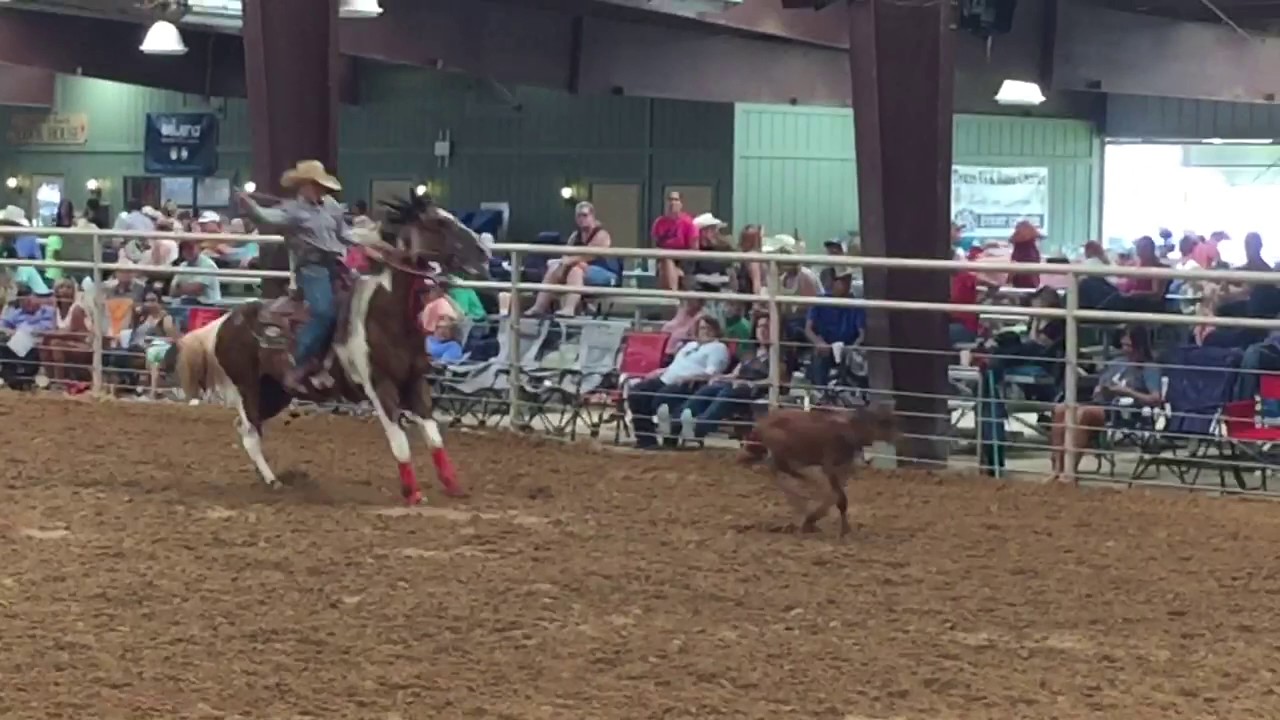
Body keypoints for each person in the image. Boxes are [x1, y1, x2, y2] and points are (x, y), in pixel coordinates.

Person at [237, 159, 353, 393]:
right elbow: (266, 217)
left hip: (336, 265)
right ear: (304, 186)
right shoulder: (292, 211)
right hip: (311, 269)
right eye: (316, 185)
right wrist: (248, 205)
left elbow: (345, 234)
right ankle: (298, 364)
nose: (321, 190)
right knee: (324, 312)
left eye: (321, 185)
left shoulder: (331, 206)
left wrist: (372, 240)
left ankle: (336, 362)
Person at [1049, 326, 1161, 480]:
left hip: (1125, 409)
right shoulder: (1116, 362)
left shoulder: (1149, 368)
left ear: (1139, 346)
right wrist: (1101, 388)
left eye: (1129, 346)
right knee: (1061, 409)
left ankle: (1070, 469)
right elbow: (1100, 385)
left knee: (1085, 413)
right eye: (1123, 345)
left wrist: (1127, 392)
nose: (1125, 349)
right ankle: (1057, 468)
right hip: (1102, 402)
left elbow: (1156, 398)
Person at [627, 316, 730, 449]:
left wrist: (690, 377)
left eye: (709, 328)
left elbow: (712, 374)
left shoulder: (718, 347)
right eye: (702, 328)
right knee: (636, 393)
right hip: (666, 378)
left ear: (716, 330)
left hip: (689, 384)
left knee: (662, 400)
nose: (705, 331)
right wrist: (661, 370)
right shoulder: (690, 345)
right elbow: (677, 365)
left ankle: (670, 436)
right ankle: (646, 440)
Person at [676, 314, 775, 441]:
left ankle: (698, 427)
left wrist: (750, 383)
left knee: (729, 391)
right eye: (759, 327)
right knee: (711, 388)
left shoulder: (778, 355)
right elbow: (734, 374)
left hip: (754, 389)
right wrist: (720, 377)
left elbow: (777, 381)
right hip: (735, 384)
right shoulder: (750, 353)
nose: (763, 330)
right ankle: (677, 421)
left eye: (767, 327)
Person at [525, 201, 619, 316]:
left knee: (576, 270)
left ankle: (569, 308)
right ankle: (539, 307)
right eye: (578, 216)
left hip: (605, 273)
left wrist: (572, 261)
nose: (581, 219)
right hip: (578, 269)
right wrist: (562, 264)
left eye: (584, 215)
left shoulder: (602, 234)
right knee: (554, 268)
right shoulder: (575, 236)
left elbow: (591, 255)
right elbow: (566, 254)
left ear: (592, 216)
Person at [803, 269, 865, 386]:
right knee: (819, 355)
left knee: (858, 359)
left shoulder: (856, 304)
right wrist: (818, 342)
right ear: (832, 281)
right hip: (826, 346)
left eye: (848, 280)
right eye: (842, 280)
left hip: (848, 348)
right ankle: (821, 392)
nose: (846, 284)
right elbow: (808, 329)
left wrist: (853, 348)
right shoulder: (819, 302)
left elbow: (862, 334)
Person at [0, 286, 55, 389]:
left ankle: (21, 377)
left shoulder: (48, 312)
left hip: (38, 341)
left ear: (36, 298)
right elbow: (2, 324)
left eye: (29, 300)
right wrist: (11, 331)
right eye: (23, 302)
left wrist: (27, 332)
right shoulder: (17, 313)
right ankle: (12, 376)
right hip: (17, 342)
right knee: (4, 340)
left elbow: (50, 327)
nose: (27, 304)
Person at [650, 191, 697, 292]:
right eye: (670, 200)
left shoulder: (688, 223)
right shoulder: (659, 222)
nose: (672, 203)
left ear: (681, 204)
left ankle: (672, 295)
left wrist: (680, 266)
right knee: (666, 260)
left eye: (676, 200)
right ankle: (673, 294)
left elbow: (694, 248)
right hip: (663, 259)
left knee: (669, 265)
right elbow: (655, 245)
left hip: (683, 259)